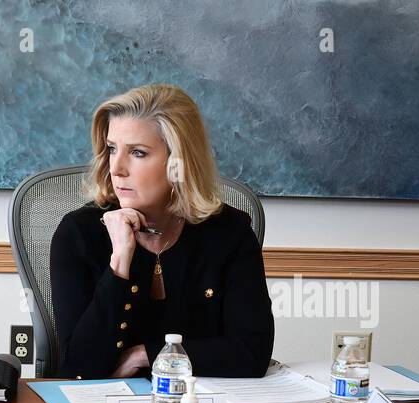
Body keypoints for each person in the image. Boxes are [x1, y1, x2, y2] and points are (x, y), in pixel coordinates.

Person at [50, 83, 274, 380]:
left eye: (138, 153)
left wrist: (145, 354)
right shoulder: (78, 234)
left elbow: (252, 354)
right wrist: (119, 262)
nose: (116, 168)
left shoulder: (230, 233)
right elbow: (77, 368)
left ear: (179, 163)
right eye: (112, 149)